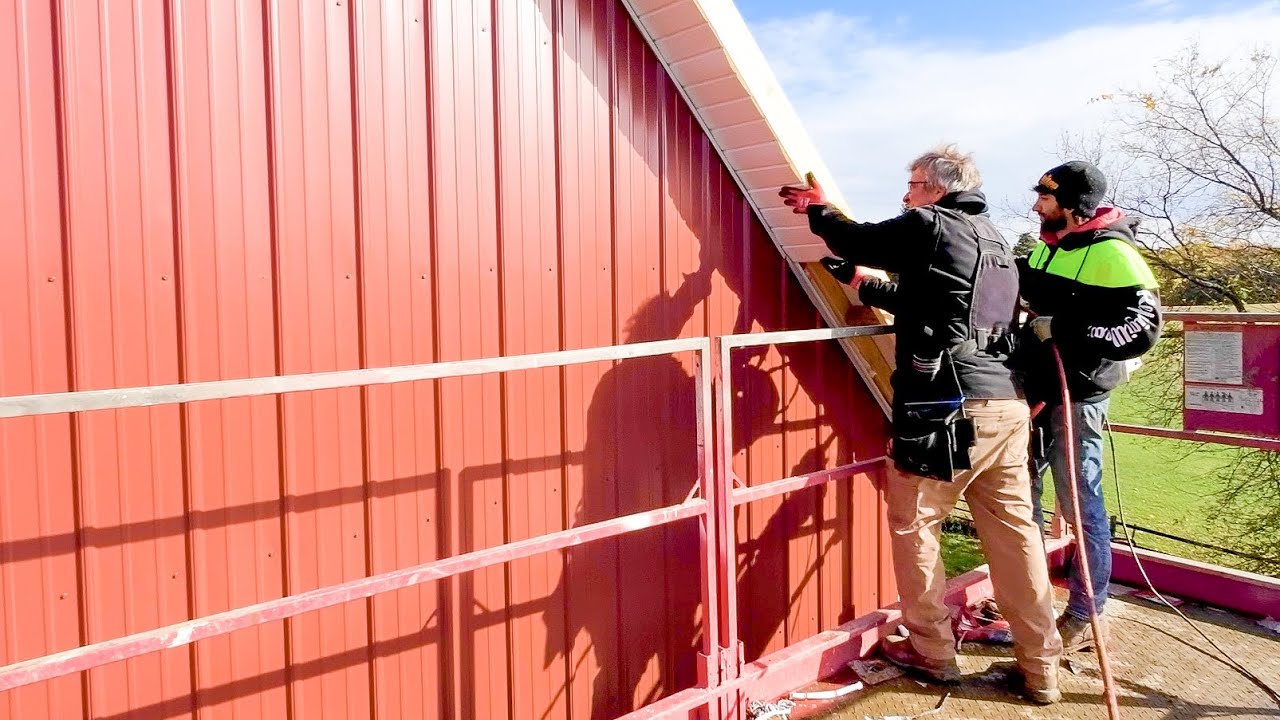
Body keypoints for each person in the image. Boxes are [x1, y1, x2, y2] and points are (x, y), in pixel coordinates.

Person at [780, 146, 1063, 704]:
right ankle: (1041, 666)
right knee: (1016, 536)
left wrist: (818, 208)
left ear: (937, 188)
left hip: (945, 410)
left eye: (912, 185)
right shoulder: (995, 241)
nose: (906, 196)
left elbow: (858, 238)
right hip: (1006, 406)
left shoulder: (928, 223)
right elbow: (932, 302)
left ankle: (932, 651)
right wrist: (861, 283)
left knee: (916, 526)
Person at [1019, 161, 1162, 652]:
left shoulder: (1115, 254)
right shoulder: (1049, 247)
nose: (1036, 206)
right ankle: (1030, 604)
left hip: (1077, 397)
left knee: (1080, 505)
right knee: (1022, 499)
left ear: (1073, 207)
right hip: (1036, 393)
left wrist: (1063, 329)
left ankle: (1084, 613)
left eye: (1045, 198)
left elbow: (1140, 330)